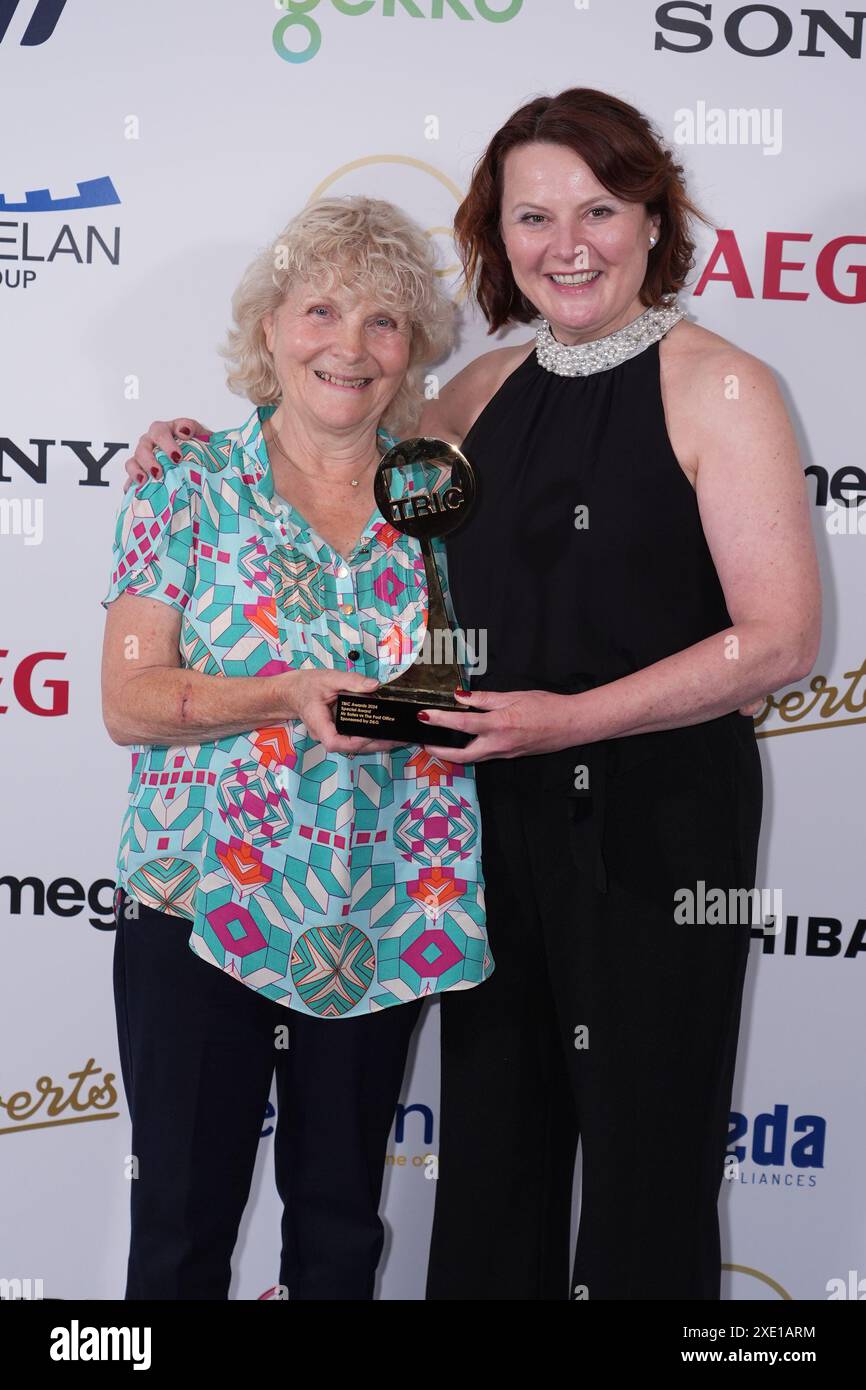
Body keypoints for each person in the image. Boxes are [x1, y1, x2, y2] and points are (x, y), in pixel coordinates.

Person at [128, 88, 820, 1301]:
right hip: (477, 828)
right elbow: (324, 431)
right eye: (532, 215)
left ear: (653, 217)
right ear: (496, 238)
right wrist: (182, 446)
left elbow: (776, 642)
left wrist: (571, 720)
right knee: (493, 1154)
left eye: (599, 209)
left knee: (645, 1158)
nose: (568, 242)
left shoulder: (722, 387)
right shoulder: (479, 398)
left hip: (655, 823)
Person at [101, 195, 493, 1301]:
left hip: (379, 903)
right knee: (177, 1226)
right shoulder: (182, 481)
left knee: (336, 1228)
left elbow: (465, 680)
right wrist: (282, 694)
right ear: (268, 327)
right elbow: (129, 700)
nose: (349, 345)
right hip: (199, 901)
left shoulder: (444, 497)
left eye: (383, 322)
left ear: (411, 350)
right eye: (319, 308)